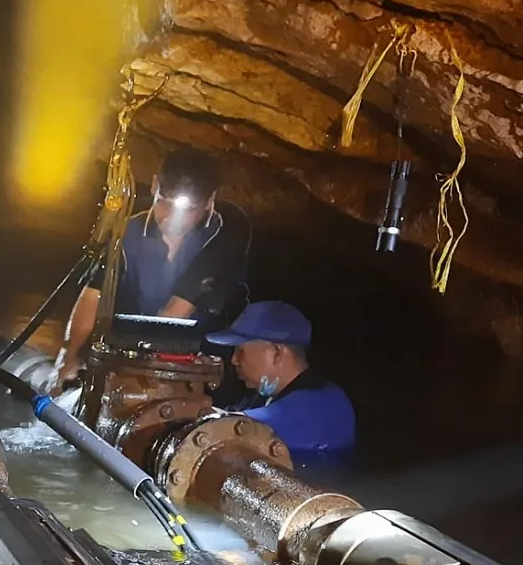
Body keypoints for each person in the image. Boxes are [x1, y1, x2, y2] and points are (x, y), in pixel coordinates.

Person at [54, 148, 251, 388]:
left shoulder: (224, 233)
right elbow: (93, 295)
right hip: (143, 345)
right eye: (163, 202)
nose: (170, 218)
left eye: (187, 210)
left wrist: (129, 375)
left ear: (209, 201)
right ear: (155, 184)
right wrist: (67, 358)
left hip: (209, 360)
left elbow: (174, 313)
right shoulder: (126, 233)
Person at [205, 301, 355, 453]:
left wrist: (193, 410)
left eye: (240, 350)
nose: (234, 360)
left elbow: (232, 426)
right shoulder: (262, 396)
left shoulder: (321, 404)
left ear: (276, 352)